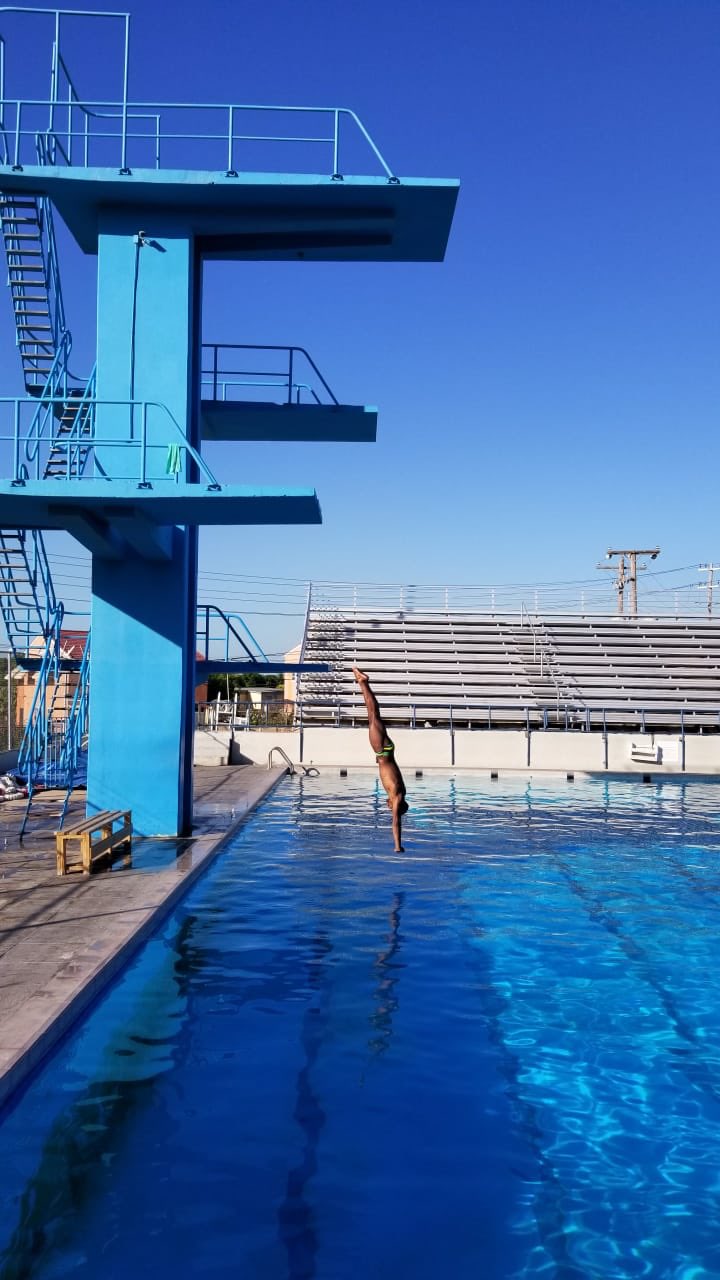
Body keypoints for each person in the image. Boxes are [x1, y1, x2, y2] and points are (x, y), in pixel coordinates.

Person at [352, 667, 408, 851]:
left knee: (373, 715)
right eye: (390, 807)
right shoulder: (397, 797)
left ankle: (363, 683)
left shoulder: (398, 794)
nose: (387, 805)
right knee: (373, 714)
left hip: (385, 752)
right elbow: (395, 823)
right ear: (396, 806)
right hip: (383, 751)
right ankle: (363, 682)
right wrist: (397, 845)